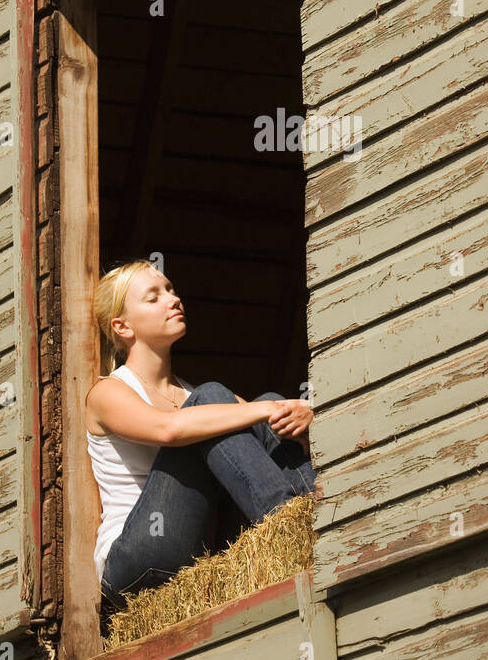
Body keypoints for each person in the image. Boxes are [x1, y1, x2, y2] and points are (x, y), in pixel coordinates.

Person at [86, 259, 316, 611]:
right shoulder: (107, 393)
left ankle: (313, 508)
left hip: (199, 542)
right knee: (221, 401)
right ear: (123, 326)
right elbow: (169, 429)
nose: (173, 299)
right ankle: (288, 521)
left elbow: (265, 419)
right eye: (154, 297)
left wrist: (300, 413)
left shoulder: (191, 392)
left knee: (264, 402)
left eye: (171, 290)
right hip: (135, 558)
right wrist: (269, 409)